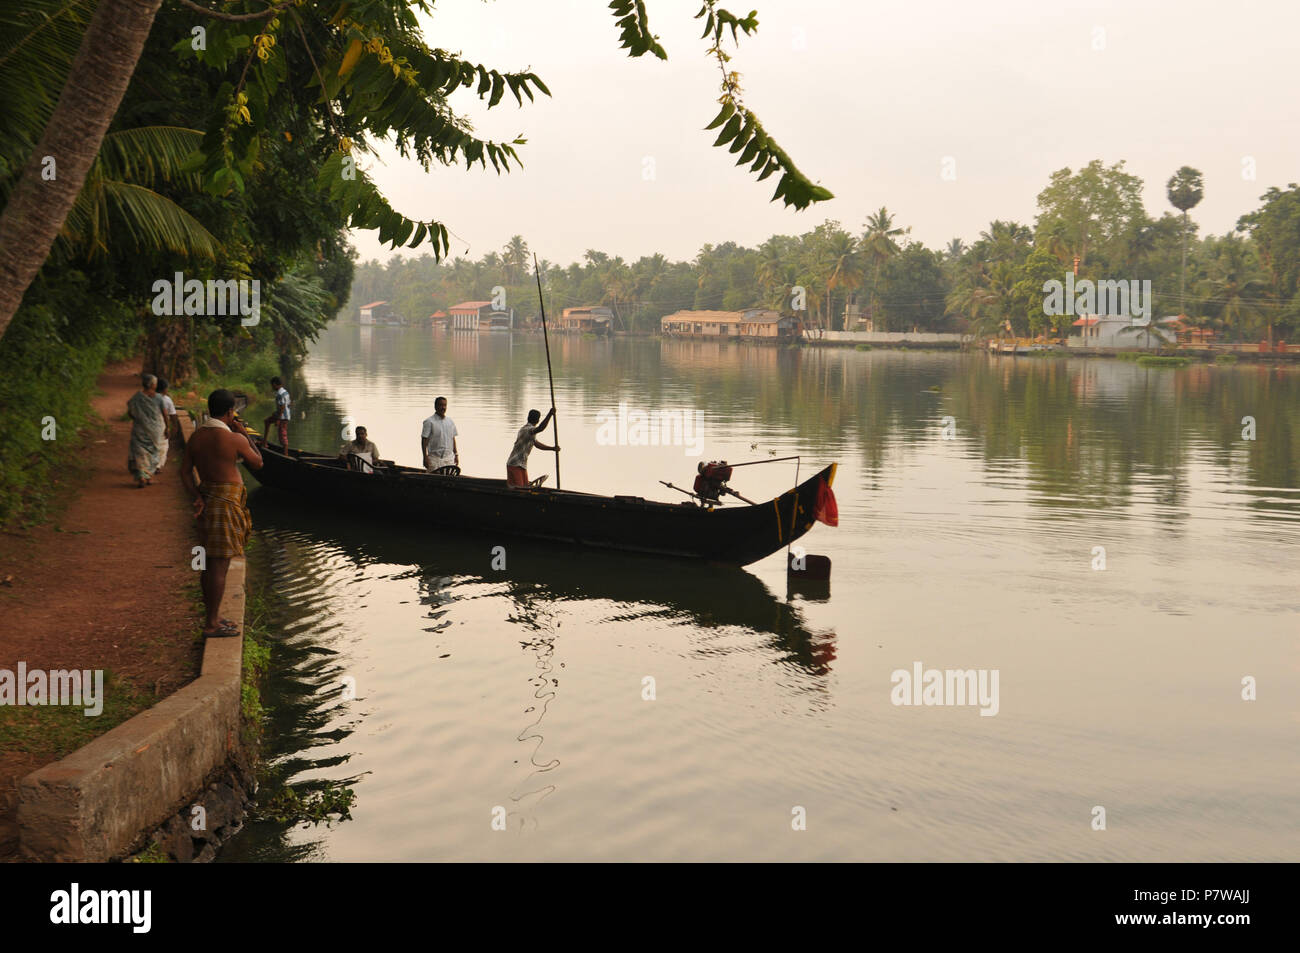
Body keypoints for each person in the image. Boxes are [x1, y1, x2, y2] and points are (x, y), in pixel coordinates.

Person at [181, 389, 263, 638]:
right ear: (230, 412)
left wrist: (196, 496)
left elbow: (184, 472)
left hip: (209, 498)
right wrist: (244, 435)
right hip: (225, 504)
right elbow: (258, 462)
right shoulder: (232, 439)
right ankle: (211, 625)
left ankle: (213, 617)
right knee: (219, 563)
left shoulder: (197, 437)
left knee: (210, 563)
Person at [126, 373, 166, 487]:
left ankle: (142, 477)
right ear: (153, 384)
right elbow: (164, 414)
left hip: (139, 429)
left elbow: (130, 411)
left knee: (139, 453)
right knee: (153, 452)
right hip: (155, 430)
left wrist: (137, 419)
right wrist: (167, 427)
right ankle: (148, 477)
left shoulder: (137, 397)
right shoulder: (158, 398)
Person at [506, 408, 558, 487]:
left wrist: (552, 448)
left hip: (521, 464)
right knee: (520, 490)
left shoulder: (528, 431)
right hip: (515, 464)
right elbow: (540, 428)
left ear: (528, 418)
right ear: (538, 420)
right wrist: (550, 414)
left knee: (525, 487)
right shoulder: (527, 430)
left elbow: (537, 444)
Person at [420, 396, 459, 472]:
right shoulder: (429, 422)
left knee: (449, 482)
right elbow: (424, 440)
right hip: (434, 459)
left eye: (445, 405)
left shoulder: (450, 422)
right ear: (435, 406)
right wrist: (425, 457)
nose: (443, 407)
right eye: (441, 405)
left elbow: (453, 439)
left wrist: (456, 455)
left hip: (449, 458)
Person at [155, 378, 180, 470]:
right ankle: (158, 466)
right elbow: (172, 415)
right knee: (163, 445)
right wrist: (173, 426)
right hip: (161, 425)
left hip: (149, 425)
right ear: (164, 389)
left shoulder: (149, 397)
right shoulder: (167, 400)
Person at [260, 376, 291, 449]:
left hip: (282, 417)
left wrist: (278, 419)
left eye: (272, 385)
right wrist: (276, 413)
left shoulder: (279, 394)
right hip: (281, 415)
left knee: (282, 435)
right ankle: (264, 443)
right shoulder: (285, 392)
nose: (272, 387)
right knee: (267, 421)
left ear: (274, 384)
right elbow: (289, 404)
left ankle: (285, 454)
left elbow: (283, 406)